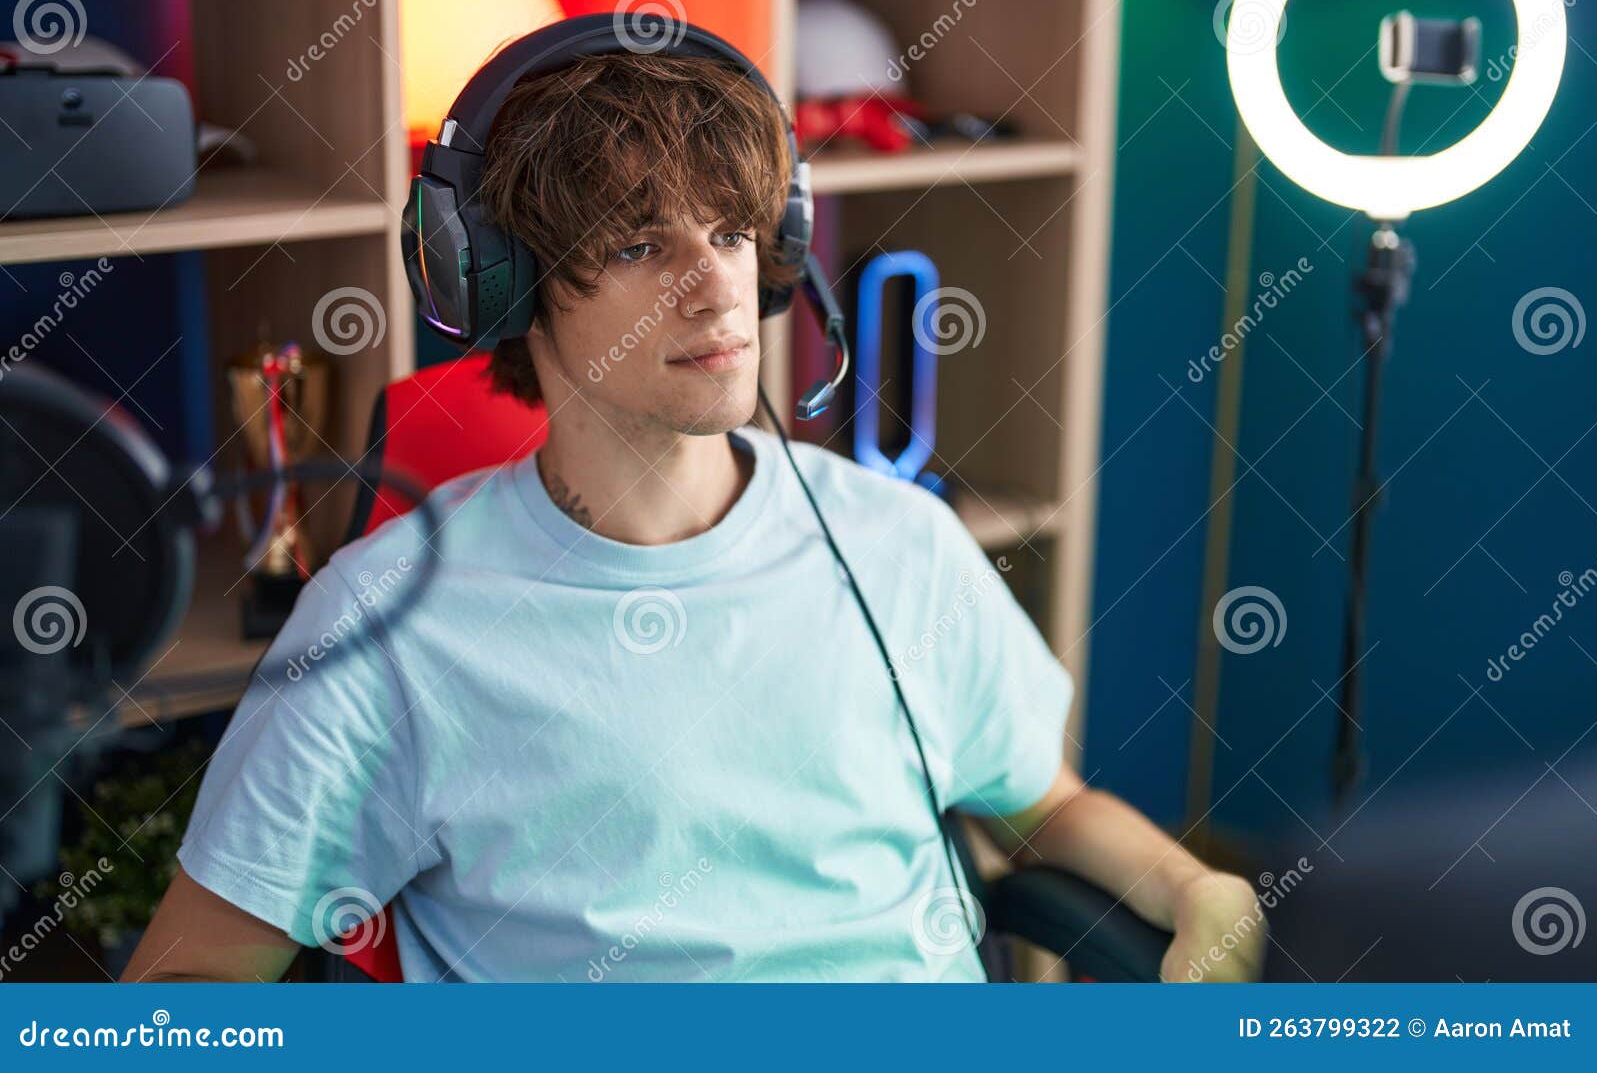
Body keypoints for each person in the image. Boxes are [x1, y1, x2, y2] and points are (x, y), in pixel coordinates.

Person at [126, 50, 1263, 983]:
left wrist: (1195, 887)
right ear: (503, 284)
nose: (717, 287)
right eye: (638, 245)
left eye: (730, 234)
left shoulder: (901, 543)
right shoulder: (384, 621)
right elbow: (188, 987)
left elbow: (1040, 806)